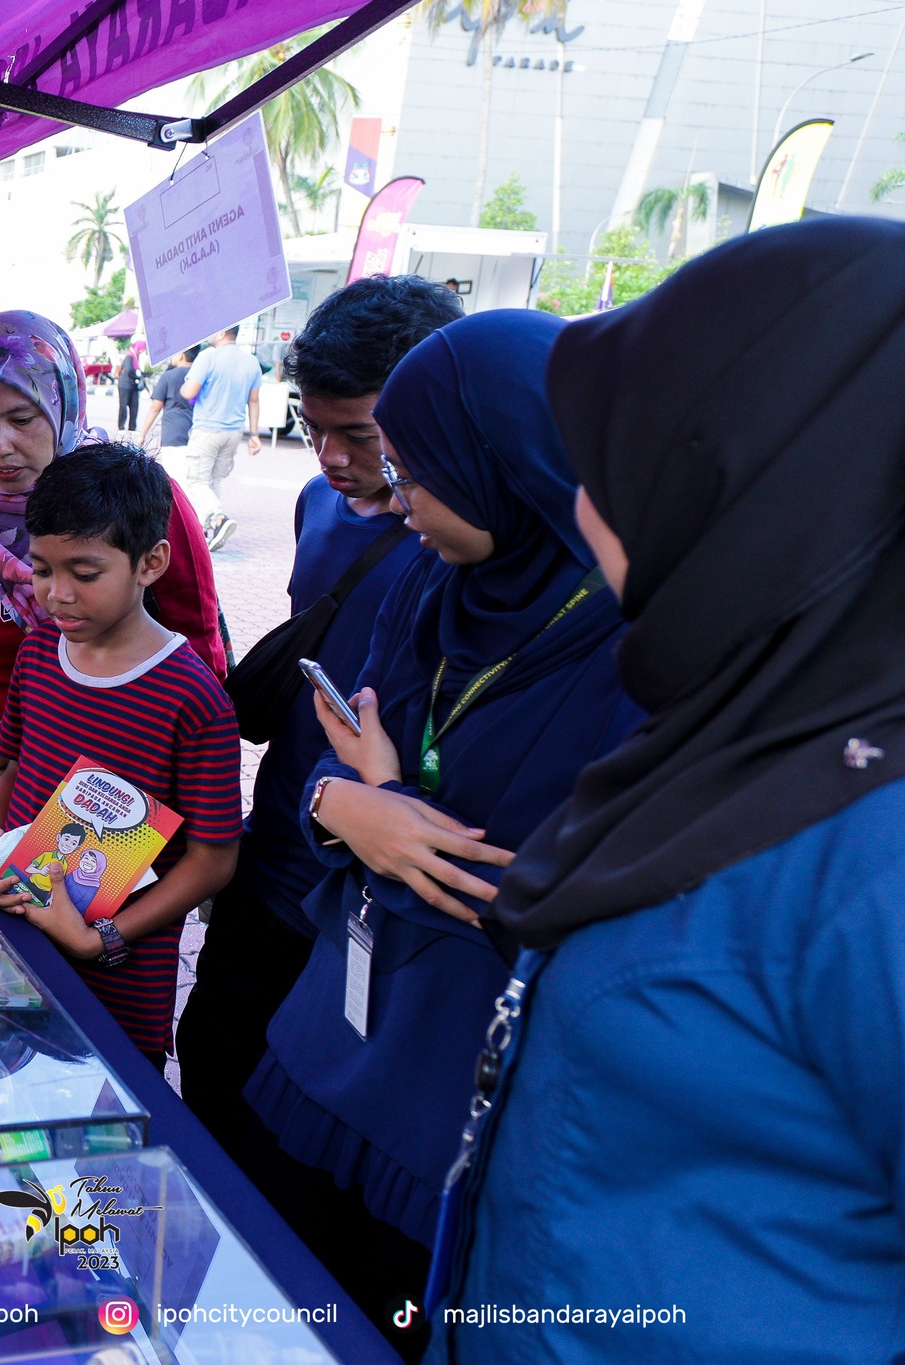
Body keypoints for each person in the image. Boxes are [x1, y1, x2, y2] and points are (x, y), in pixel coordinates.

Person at [429, 219, 905, 1363]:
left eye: (618, 449)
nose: (582, 491)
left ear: (762, 476)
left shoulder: (875, 857)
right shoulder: (751, 717)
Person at [243, 310, 640, 1356]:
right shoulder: (428, 581)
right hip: (333, 1029)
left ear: (501, 458)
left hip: (457, 1080)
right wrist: (346, 807)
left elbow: (598, 888)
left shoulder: (637, 639)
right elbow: (333, 760)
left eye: (412, 473)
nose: (389, 498)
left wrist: (394, 823)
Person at [176, 275, 459, 1201]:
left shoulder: (458, 544)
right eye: (313, 425)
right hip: (272, 856)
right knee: (210, 1061)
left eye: (362, 436)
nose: (332, 457)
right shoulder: (317, 504)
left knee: (299, 1141)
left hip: (366, 897)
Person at [0, 309, 227, 834]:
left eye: (22, 418)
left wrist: (170, 807)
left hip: (112, 822)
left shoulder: (136, 497)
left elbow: (197, 647)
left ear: (62, 405)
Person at [0, 445, 241, 1065]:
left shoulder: (193, 696)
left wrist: (99, 937)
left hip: (120, 971)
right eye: (40, 569)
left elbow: (214, 859)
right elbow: (14, 766)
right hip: (17, 933)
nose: (57, 595)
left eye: (84, 574)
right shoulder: (37, 653)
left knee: (103, 1108)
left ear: (151, 563)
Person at [179, 324, 264, 549]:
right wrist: (254, 434)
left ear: (222, 333)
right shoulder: (251, 362)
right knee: (214, 480)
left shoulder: (208, 358)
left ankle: (217, 519)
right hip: (234, 431)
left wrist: (186, 384)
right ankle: (211, 531)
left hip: (208, 429)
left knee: (197, 480)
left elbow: (189, 392)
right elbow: (253, 401)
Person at [135, 346, 196, 458]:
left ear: (181, 355)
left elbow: (155, 408)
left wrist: (142, 434)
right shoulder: (200, 376)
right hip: (198, 435)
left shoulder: (168, 376)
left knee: (173, 473)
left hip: (173, 435)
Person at [115, 344, 142, 432]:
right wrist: (138, 378)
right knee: (123, 406)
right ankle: (121, 427)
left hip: (133, 385)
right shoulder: (130, 356)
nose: (142, 352)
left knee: (134, 406)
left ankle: (132, 427)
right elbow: (130, 370)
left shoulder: (136, 358)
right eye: (141, 350)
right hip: (125, 384)